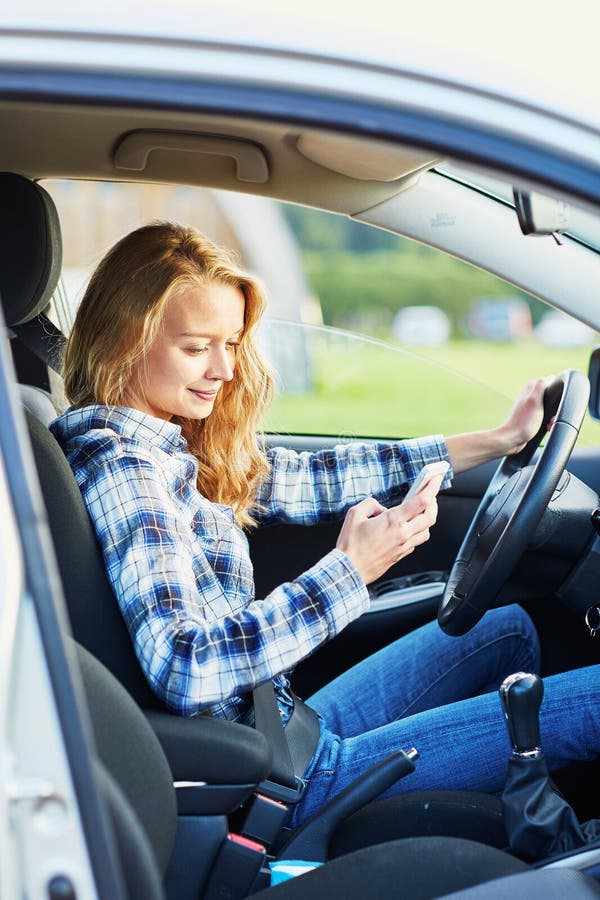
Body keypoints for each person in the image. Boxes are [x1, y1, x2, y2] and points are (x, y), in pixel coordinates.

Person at [50, 222, 599, 829]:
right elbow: (186, 666)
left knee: (506, 632)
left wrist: (498, 440)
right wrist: (350, 570)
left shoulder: (167, 448)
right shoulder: (125, 468)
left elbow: (310, 477)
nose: (225, 369)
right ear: (126, 340)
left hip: (284, 728)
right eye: (197, 347)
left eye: (231, 343)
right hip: (283, 784)